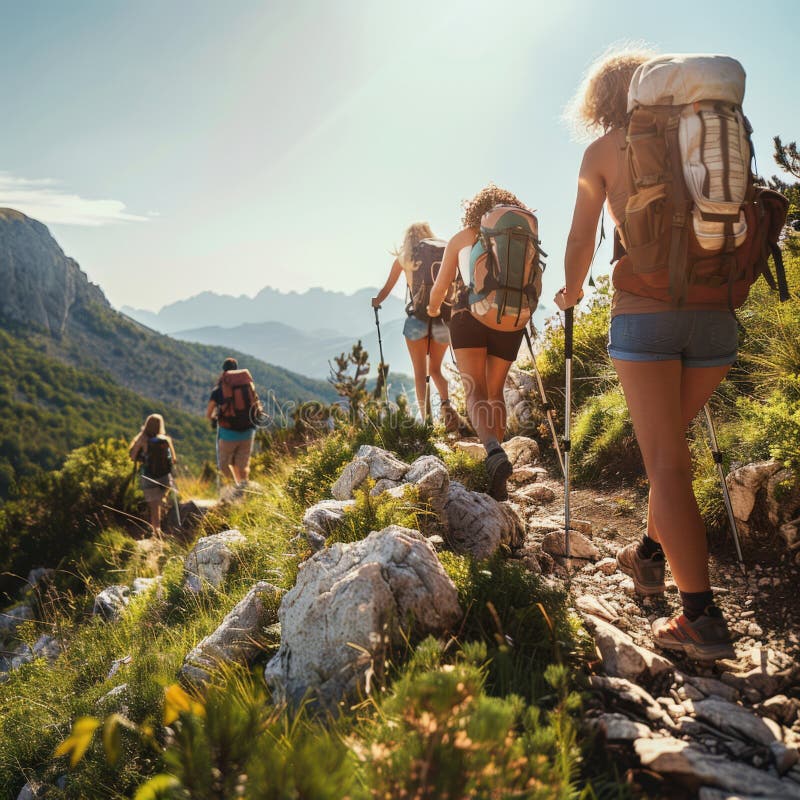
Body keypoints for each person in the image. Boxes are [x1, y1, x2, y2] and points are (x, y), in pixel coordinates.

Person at [556, 47, 736, 660]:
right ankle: (651, 556)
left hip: (646, 315)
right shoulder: (700, 134)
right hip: (717, 316)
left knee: (665, 461)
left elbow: (583, 234)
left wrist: (572, 288)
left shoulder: (605, 150)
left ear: (601, 100)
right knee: (673, 450)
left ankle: (701, 617)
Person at [427, 185, 538, 501]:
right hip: (510, 318)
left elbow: (439, 289)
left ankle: (491, 451)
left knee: (474, 389)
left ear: (475, 210)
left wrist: (435, 309)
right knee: (495, 391)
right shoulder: (519, 237)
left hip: (468, 316)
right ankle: (498, 460)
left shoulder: (464, 237)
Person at [372, 222, 465, 432]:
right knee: (435, 369)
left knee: (420, 372)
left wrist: (376, 301)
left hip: (416, 321)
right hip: (442, 320)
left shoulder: (404, 259)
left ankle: (426, 422)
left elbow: (386, 289)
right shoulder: (444, 256)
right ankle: (445, 404)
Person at [206, 357, 257, 485]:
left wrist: (213, 419)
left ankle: (231, 492)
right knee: (242, 465)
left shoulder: (219, 389)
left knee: (224, 465)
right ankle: (243, 491)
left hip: (228, 433)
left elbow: (209, 413)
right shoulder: (247, 385)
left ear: (224, 370)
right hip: (248, 430)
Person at [129, 413, 177, 537]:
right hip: (164, 477)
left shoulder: (142, 439)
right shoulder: (165, 440)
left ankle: (156, 531)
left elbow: (132, 456)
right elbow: (173, 459)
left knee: (153, 506)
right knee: (161, 501)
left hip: (148, 476)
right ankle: (162, 528)